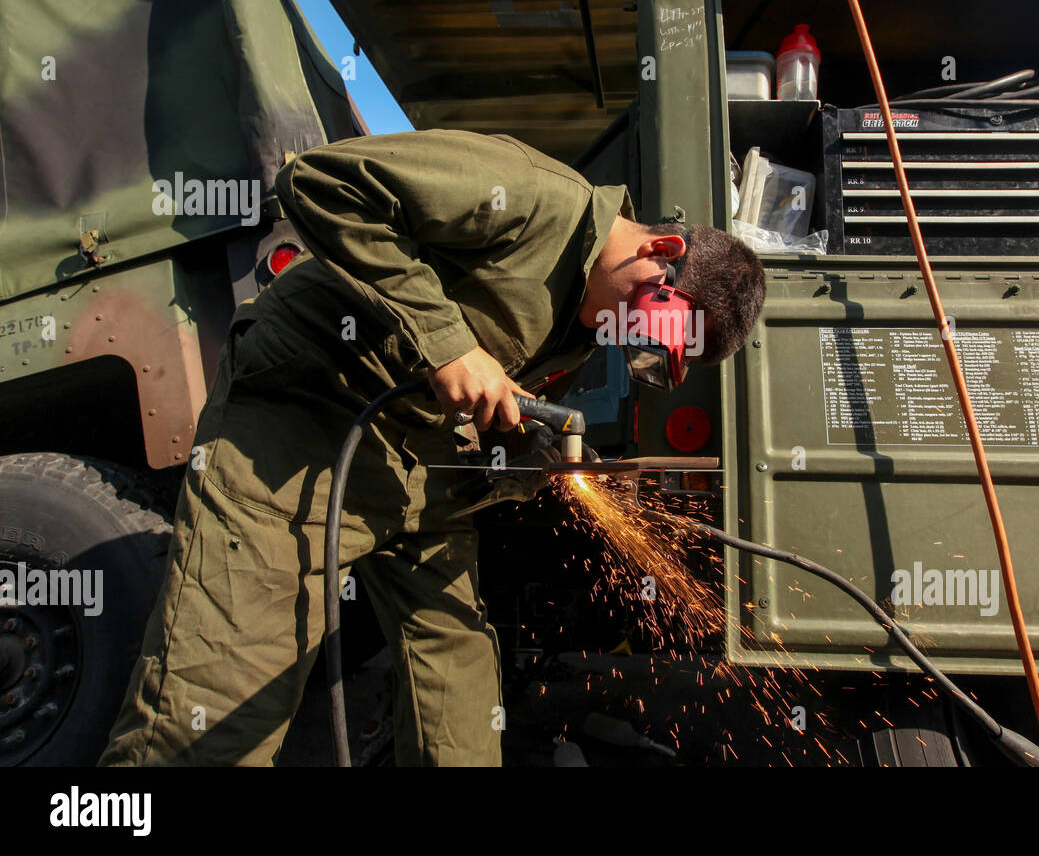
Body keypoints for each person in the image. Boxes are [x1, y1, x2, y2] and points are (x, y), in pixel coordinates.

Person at [99, 128, 766, 766]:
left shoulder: (588, 320)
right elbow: (321, 181)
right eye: (651, 334)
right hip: (299, 422)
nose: (632, 346)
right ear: (662, 250)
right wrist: (450, 344)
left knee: (459, 689)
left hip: (414, 458)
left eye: (656, 362)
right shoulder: (527, 194)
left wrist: (535, 456)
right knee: (224, 701)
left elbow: (489, 399)